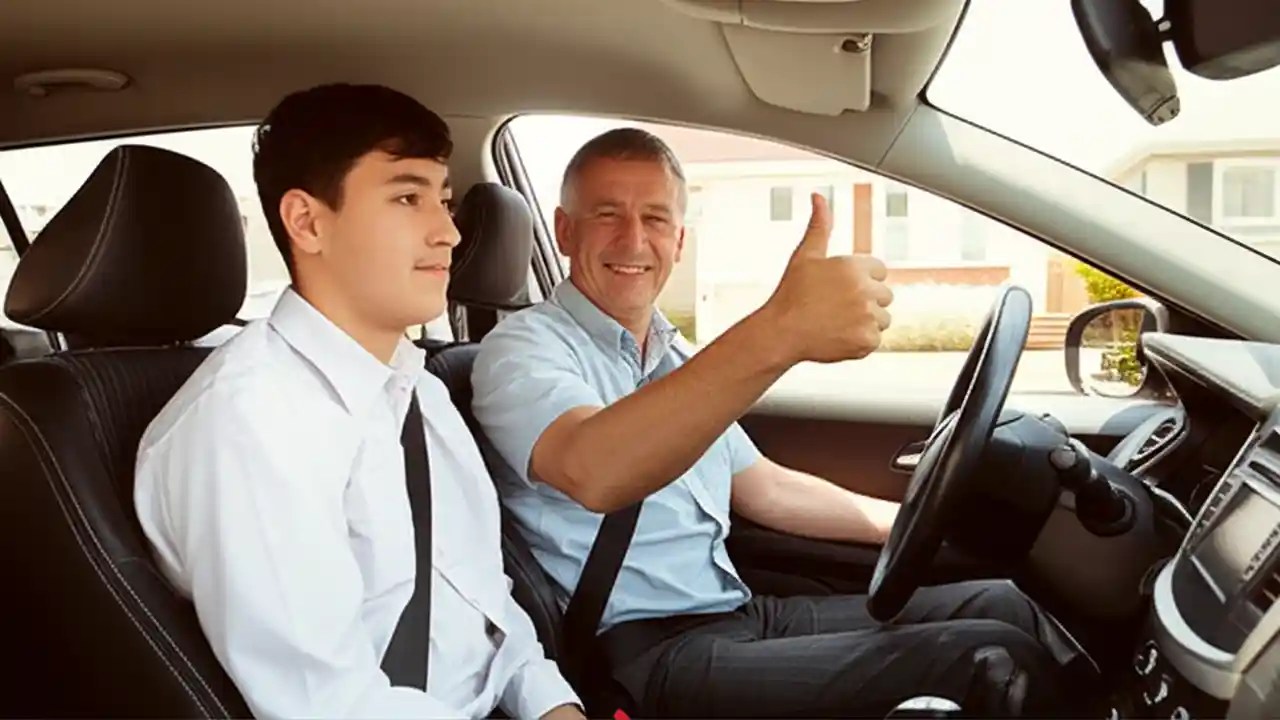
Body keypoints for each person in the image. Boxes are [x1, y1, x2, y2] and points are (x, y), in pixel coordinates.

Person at [471, 128, 1097, 717]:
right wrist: (782, 330)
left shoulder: (673, 356)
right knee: (988, 660)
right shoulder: (522, 351)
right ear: (564, 230)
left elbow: (765, 488)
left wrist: (912, 523)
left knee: (1004, 603)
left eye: (655, 218)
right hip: (644, 655)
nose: (634, 240)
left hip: (737, 613)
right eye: (608, 214)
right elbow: (593, 468)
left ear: (679, 241)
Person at [134, 83, 583, 720]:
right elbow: (327, 705)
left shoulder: (418, 388)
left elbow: (484, 606)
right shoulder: (249, 419)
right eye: (407, 198)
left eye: (444, 201)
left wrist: (552, 705)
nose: (449, 232)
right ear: (307, 222)